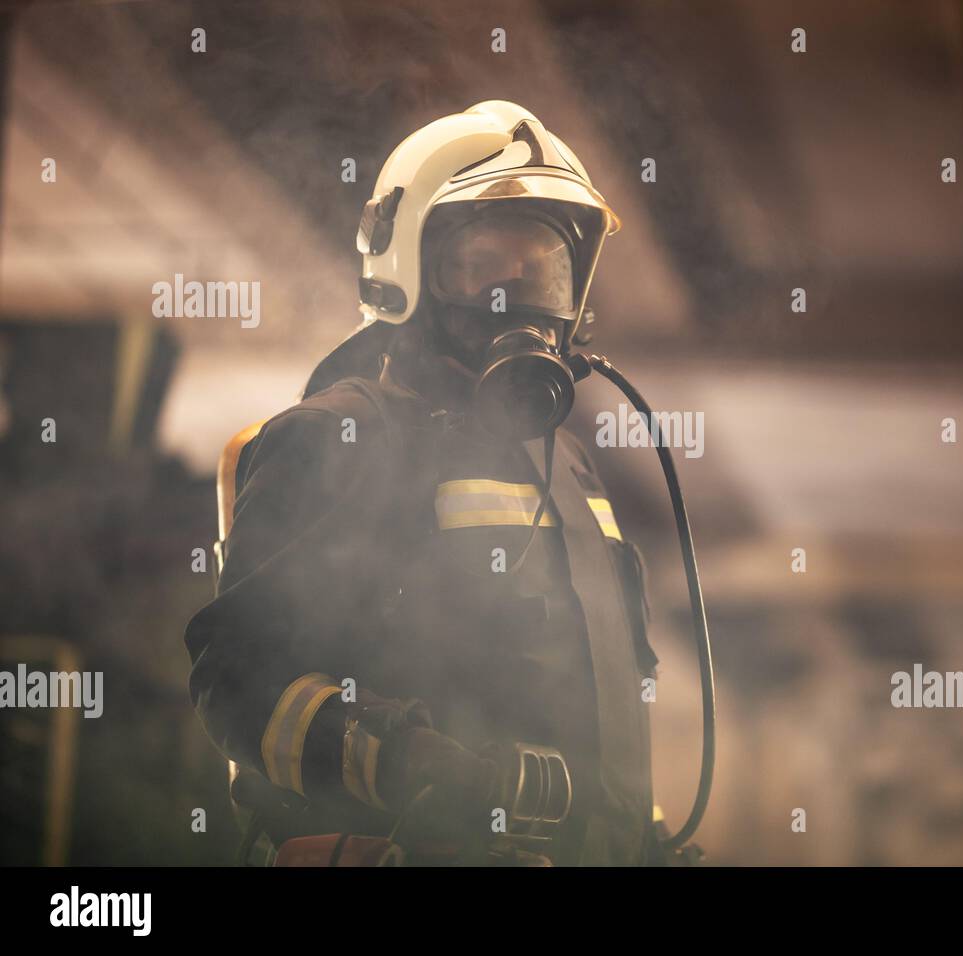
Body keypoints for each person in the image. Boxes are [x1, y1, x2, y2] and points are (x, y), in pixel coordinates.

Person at [184, 101, 661, 866]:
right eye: (481, 269)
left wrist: (640, 835)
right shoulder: (336, 439)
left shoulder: (567, 461)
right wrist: (401, 759)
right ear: (403, 270)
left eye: (543, 271)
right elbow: (236, 678)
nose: (517, 303)